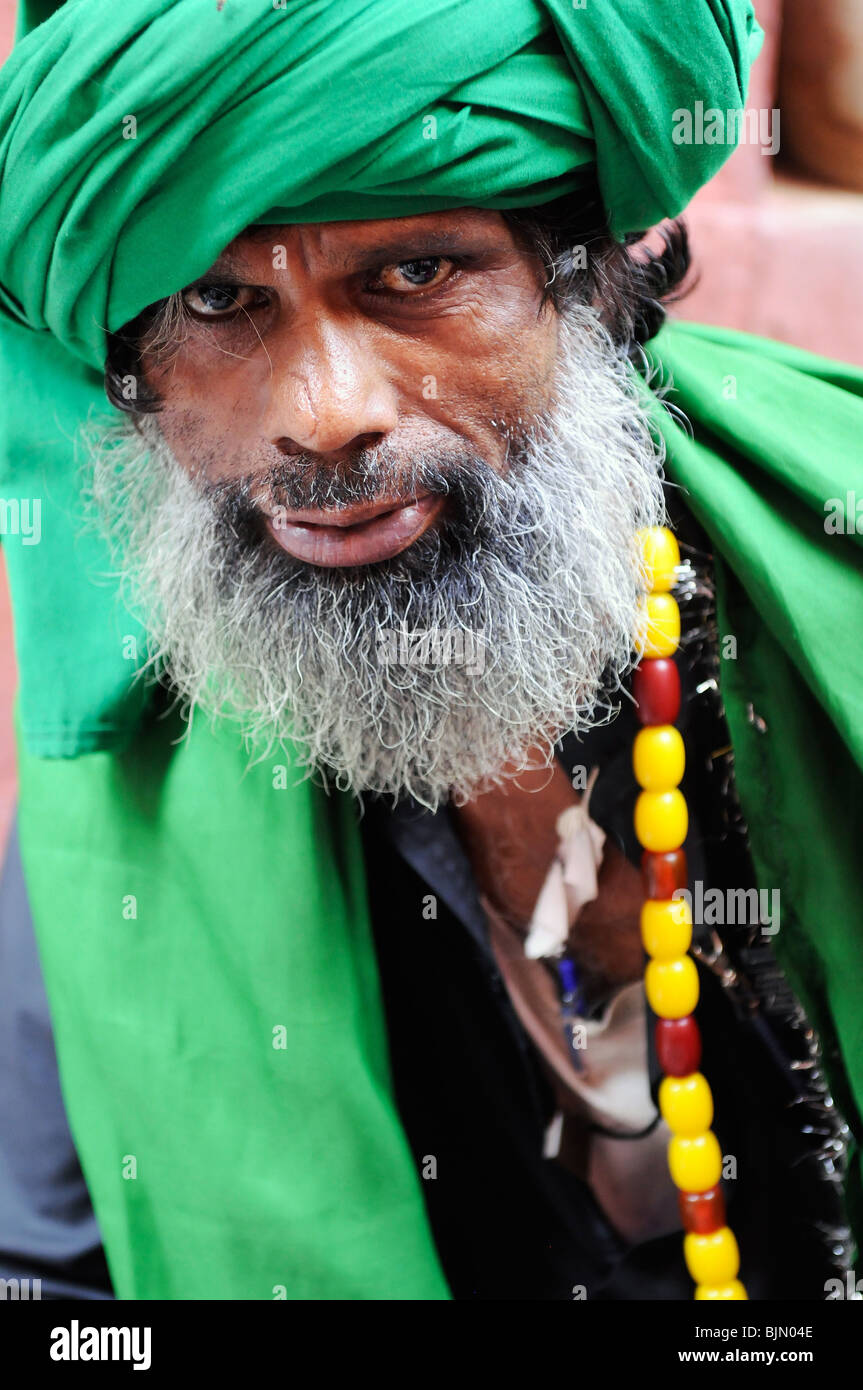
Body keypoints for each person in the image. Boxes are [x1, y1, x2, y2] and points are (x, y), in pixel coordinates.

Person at [0, 0, 860, 1301]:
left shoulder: (829, 578)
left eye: (414, 275)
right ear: (134, 381)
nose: (325, 413)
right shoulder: (117, 786)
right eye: (221, 298)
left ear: (586, 284)